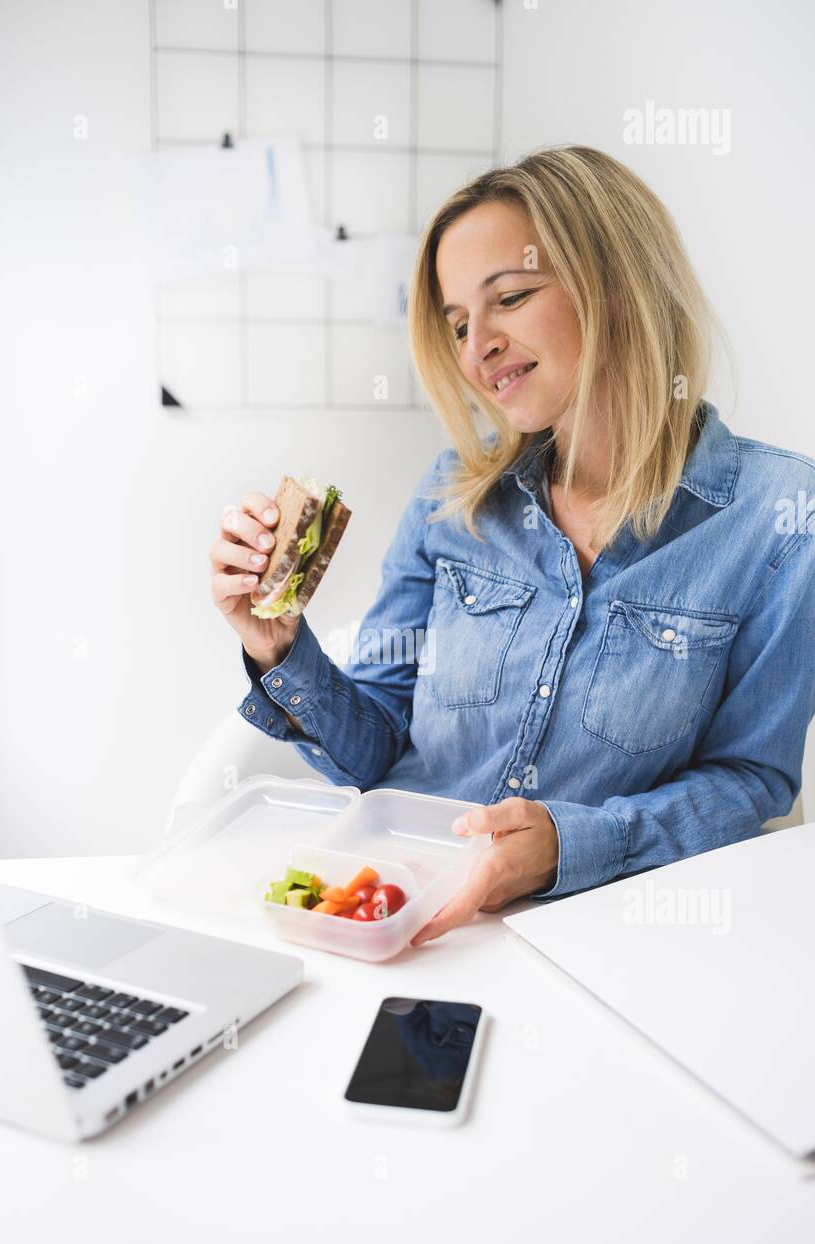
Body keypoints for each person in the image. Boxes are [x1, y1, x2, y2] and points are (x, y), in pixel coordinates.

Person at [209, 146, 815, 945]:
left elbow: (750, 782)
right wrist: (279, 647)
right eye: (459, 323)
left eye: (511, 298)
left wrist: (567, 845)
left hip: (602, 934)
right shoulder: (452, 495)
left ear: (615, 283)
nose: (476, 347)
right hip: (401, 911)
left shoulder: (780, 516)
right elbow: (377, 743)